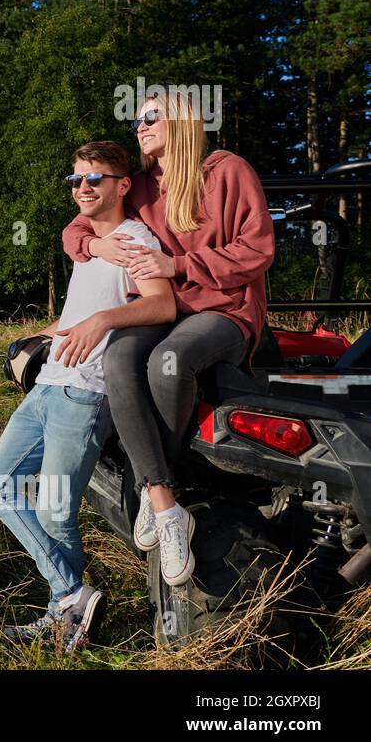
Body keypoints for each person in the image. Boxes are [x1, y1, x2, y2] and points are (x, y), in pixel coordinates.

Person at [61, 90, 274, 588]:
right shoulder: (137, 185)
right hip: (165, 308)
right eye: (137, 118)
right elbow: (76, 226)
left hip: (224, 309)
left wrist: (177, 264)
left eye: (151, 116)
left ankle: (162, 479)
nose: (139, 125)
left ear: (182, 121)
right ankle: (163, 502)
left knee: (169, 362)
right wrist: (94, 244)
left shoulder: (227, 170)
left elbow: (257, 250)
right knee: (119, 358)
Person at [0, 140, 175, 652]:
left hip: (86, 392)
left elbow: (161, 306)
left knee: (54, 509)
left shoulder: (135, 240)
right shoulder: (90, 241)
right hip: (47, 386)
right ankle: (69, 598)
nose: (82, 188)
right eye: (75, 180)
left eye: (94, 179)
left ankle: (66, 609)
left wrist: (105, 320)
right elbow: (80, 315)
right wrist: (40, 338)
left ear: (122, 185)